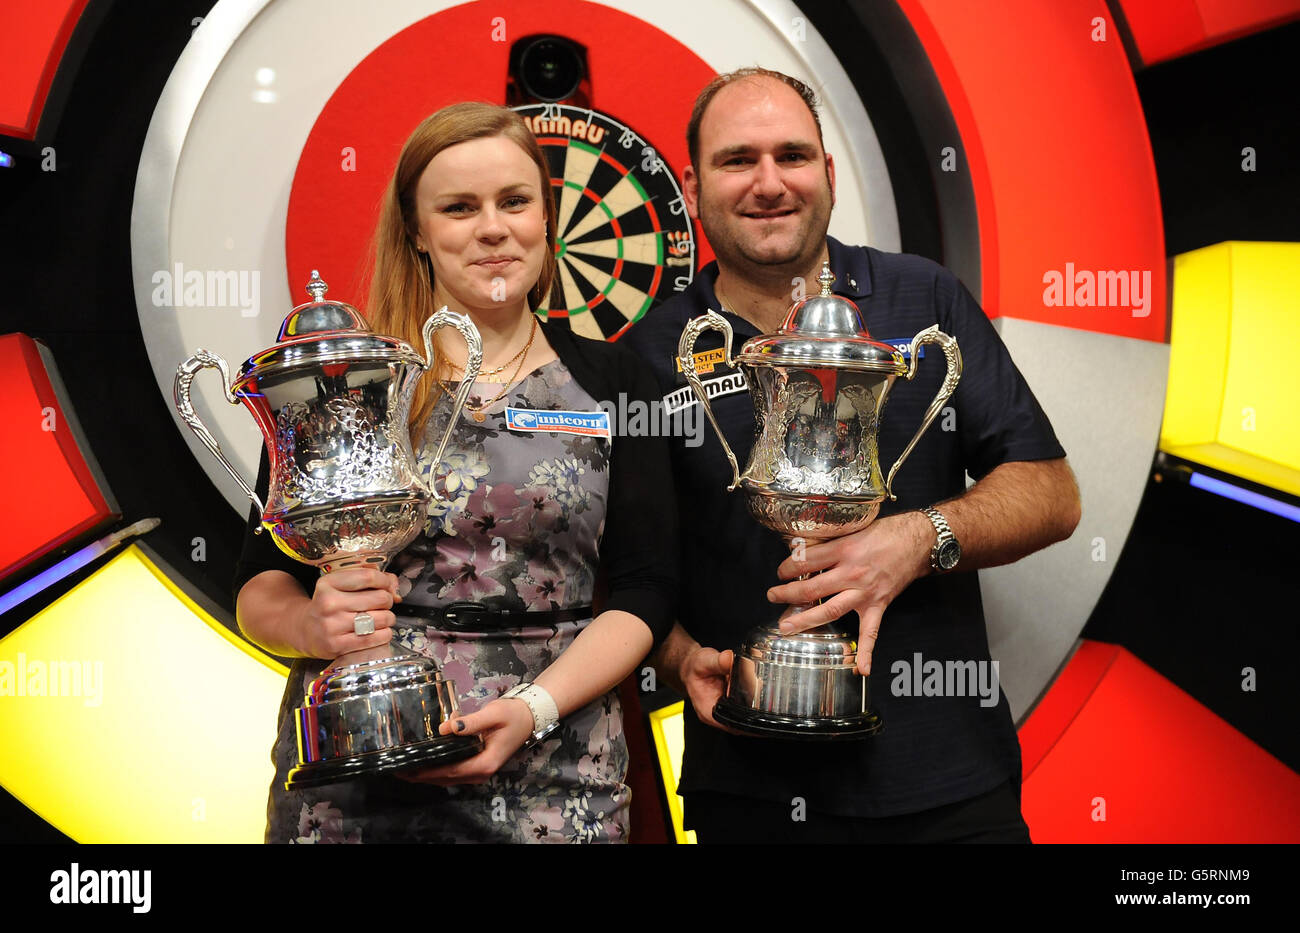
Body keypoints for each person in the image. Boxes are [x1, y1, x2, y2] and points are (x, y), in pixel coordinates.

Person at [622, 68, 1081, 843]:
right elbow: (630, 567)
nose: (770, 183)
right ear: (694, 187)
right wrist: (679, 658)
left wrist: (914, 538)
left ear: (828, 175)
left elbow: (1053, 493)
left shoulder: (923, 297)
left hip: (949, 782)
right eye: (739, 161)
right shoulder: (656, 348)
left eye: (792, 156)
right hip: (750, 786)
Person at [234, 102, 676, 843]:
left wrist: (533, 708)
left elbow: (649, 587)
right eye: (459, 207)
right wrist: (312, 623)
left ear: (547, 216)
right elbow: (259, 582)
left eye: (514, 201)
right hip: (357, 778)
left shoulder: (617, 381)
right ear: (417, 231)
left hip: (559, 772)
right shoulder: (350, 377)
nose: (493, 228)